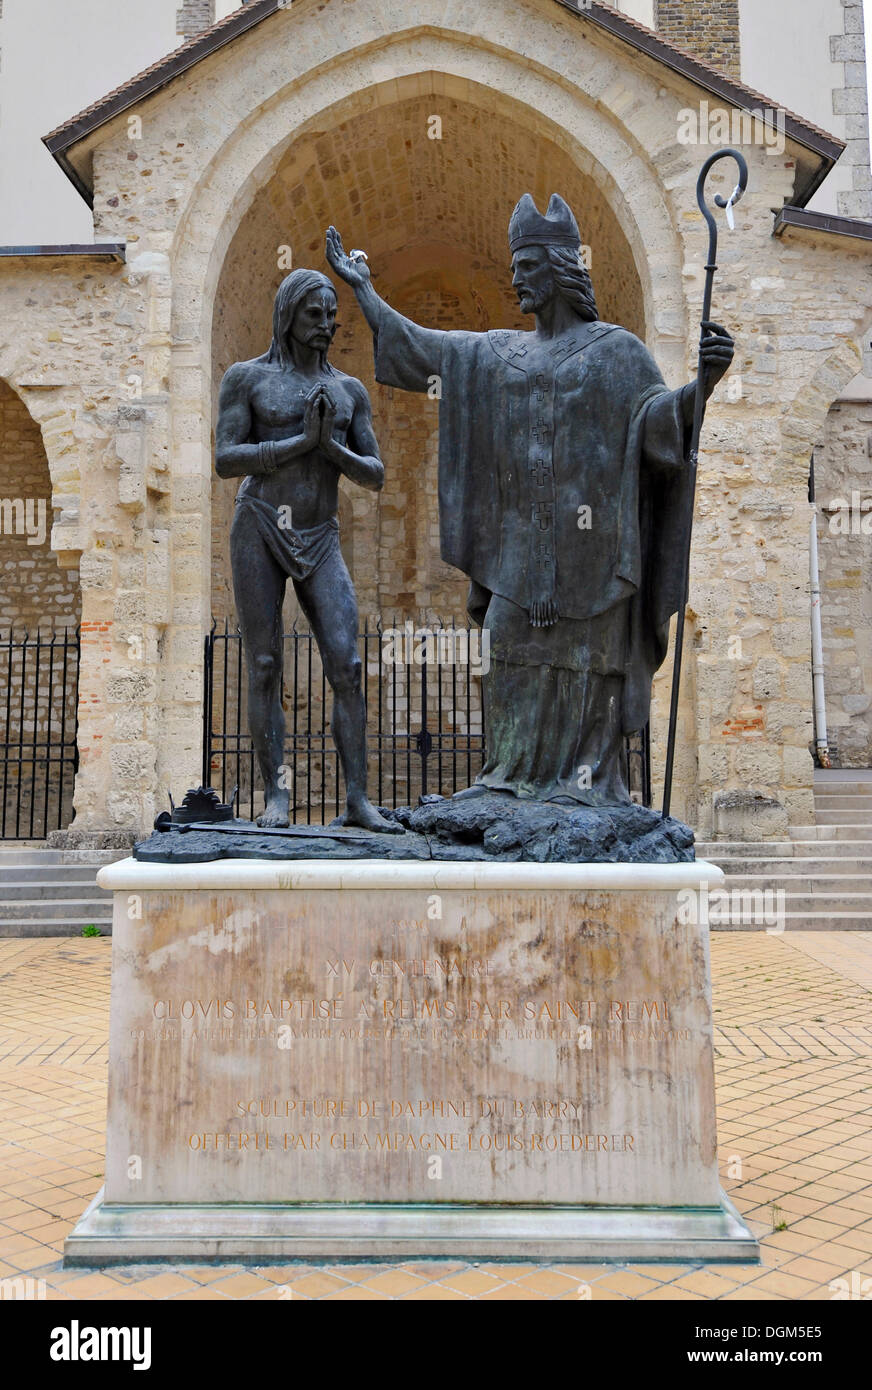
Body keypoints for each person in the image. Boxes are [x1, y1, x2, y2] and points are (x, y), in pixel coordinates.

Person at [326, 197, 734, 806]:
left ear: (561, 267)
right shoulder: (496, 354)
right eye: (514, 264)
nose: (515, 276)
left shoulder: (616, 352)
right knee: (508, 648)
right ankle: (508, 783)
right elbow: (421, 348)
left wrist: (702, 388)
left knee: (588, 670)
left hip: (594, 561)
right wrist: (364, 289)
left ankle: (587, 792)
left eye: (527, 264)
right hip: (517, 563)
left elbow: (656, 431)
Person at [215, 267, 401, 831]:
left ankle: (356, 800)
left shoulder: (348, 391)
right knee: (265, 662)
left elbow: (375, 473)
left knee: (347, 663)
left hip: (320, 535)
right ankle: (277, 796)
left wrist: (332, 451)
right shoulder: (247, 379)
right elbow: (225, 458)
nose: (326, 325)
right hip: (260, 524)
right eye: (314, 315)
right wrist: (303, 441)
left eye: (331, 315)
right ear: (288, 316)